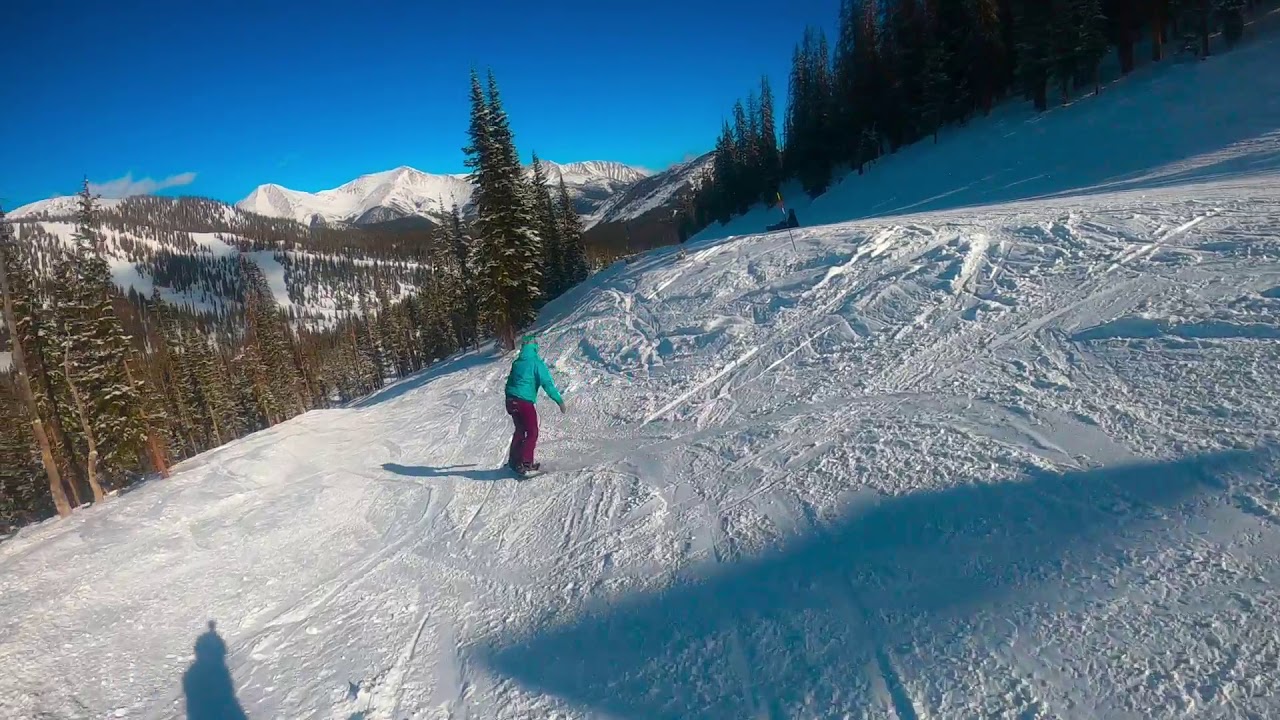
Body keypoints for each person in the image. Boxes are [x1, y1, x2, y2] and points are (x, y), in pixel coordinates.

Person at [504, 334, 566, 474]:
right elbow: (547, 384)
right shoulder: (536, 363)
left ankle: (514, 461)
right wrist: (559, 400)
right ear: (534, 347)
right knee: (532, 432)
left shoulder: (517, 363)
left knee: (520, 430)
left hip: (510, 400)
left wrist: (509, 399)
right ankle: (526, 463)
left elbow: (509, 383)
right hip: (524, 401)